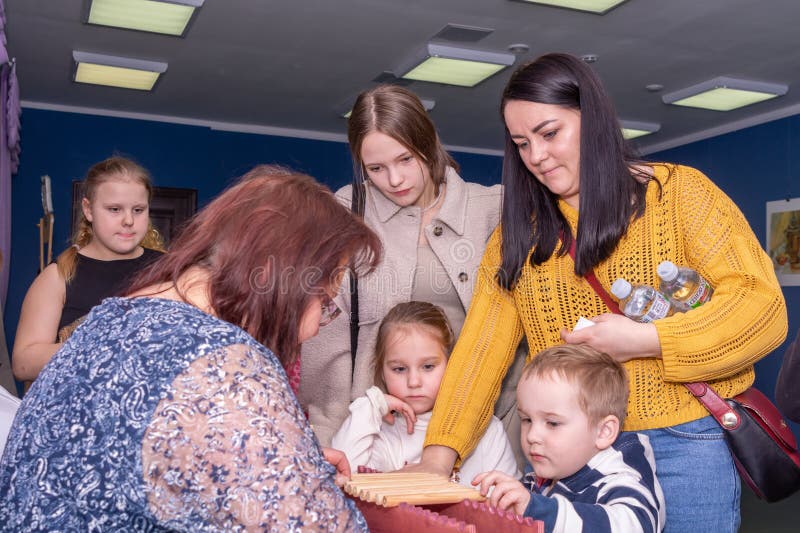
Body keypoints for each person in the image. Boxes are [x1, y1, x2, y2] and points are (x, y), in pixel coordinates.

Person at [417, 53, 787, 532]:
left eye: (550, 133)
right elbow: (479, 353)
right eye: (522, 143)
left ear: (591, 120)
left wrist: (645, 340)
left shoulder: (678, 194)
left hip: (682, 442)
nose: (536, 156)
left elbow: (762, 309)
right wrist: (437, 458)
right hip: (571, 456)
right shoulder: (518, 236)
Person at [0, 166, 381, 531]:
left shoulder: (114, 315)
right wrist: (289, 474)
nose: (314, 328)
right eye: (324, 302)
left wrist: (273, 459)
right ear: (273, 278)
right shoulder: (223, 370)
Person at [300, 84, 527, 461]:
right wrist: (328, 444)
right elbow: (327, 350)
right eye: (376, 168)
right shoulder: (346, 213)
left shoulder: (494, 208)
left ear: (428, 143)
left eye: (406, 159)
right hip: (383, 434)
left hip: (491, 425)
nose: (394, 180)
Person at [475, 344, 665, 533]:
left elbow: (634, 526)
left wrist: (536, 510)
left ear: (603, 432)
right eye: (526, 420)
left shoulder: (622, 482)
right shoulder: (544, 479)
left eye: (552, 423)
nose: (532, 436)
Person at [332, 301, 518, 486]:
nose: (414, 382)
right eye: (399, 369)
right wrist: (372, 405)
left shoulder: (487, 430)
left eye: (428, 366)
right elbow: (344, 478)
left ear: (451, 365)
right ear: (382, 372)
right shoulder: (380, 430)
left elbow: (510, 496)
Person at [12, 156, 164, 382]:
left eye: (138, 210)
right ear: (88, 209)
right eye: (114, 209)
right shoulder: (59, 276)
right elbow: (23, 364)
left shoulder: (169, 269)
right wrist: (104, 344)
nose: (128, 220)